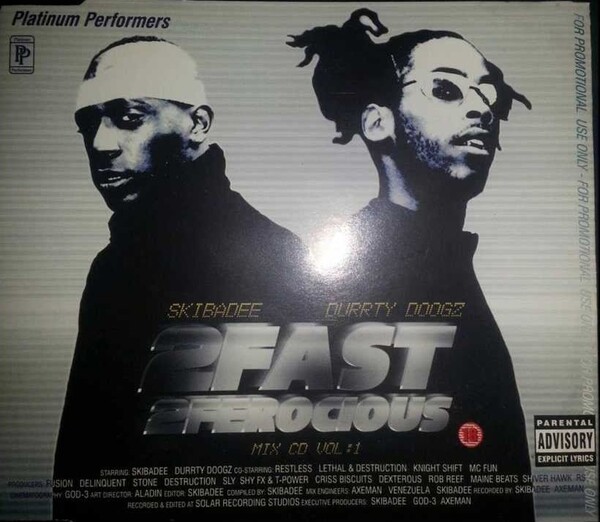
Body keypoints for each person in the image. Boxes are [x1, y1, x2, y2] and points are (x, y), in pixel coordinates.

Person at [289, 9, 534, 521]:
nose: (482, 110)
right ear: (379, 122)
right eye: (446, 90)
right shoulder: (343, 285)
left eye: (487, 94)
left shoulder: (452, 268)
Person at [54, 36, 308, 521]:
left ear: (198, 124)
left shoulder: (272, 253)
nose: (100, 144)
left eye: (130, 118)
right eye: (88, 124)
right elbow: (87, 456)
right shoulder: (115, 263)